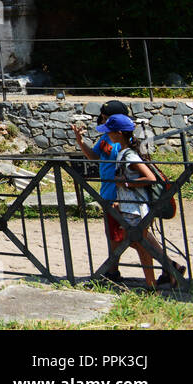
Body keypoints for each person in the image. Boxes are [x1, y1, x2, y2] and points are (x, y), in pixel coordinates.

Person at [97, 113, 173, 290]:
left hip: (135, 208)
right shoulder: (123, 152)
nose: (106, 134)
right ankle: (159, 278)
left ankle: (156, 281)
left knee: (140, 243)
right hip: (129, 207)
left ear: (118, 133)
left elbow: (150, 177)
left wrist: (126, 183)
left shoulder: (128, 155)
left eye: (109, 131)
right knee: (138, 243)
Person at [73, 99, 132, 284]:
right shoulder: (106, 137)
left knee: (131, 236)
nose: (102, 120)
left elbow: (124, 165)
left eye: (105, 117)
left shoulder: (122, 139)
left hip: (118, 194)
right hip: (107, 191)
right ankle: (113, 271)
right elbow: (95, 157)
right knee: (118, 234)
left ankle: (112, 272)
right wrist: (80, 142)